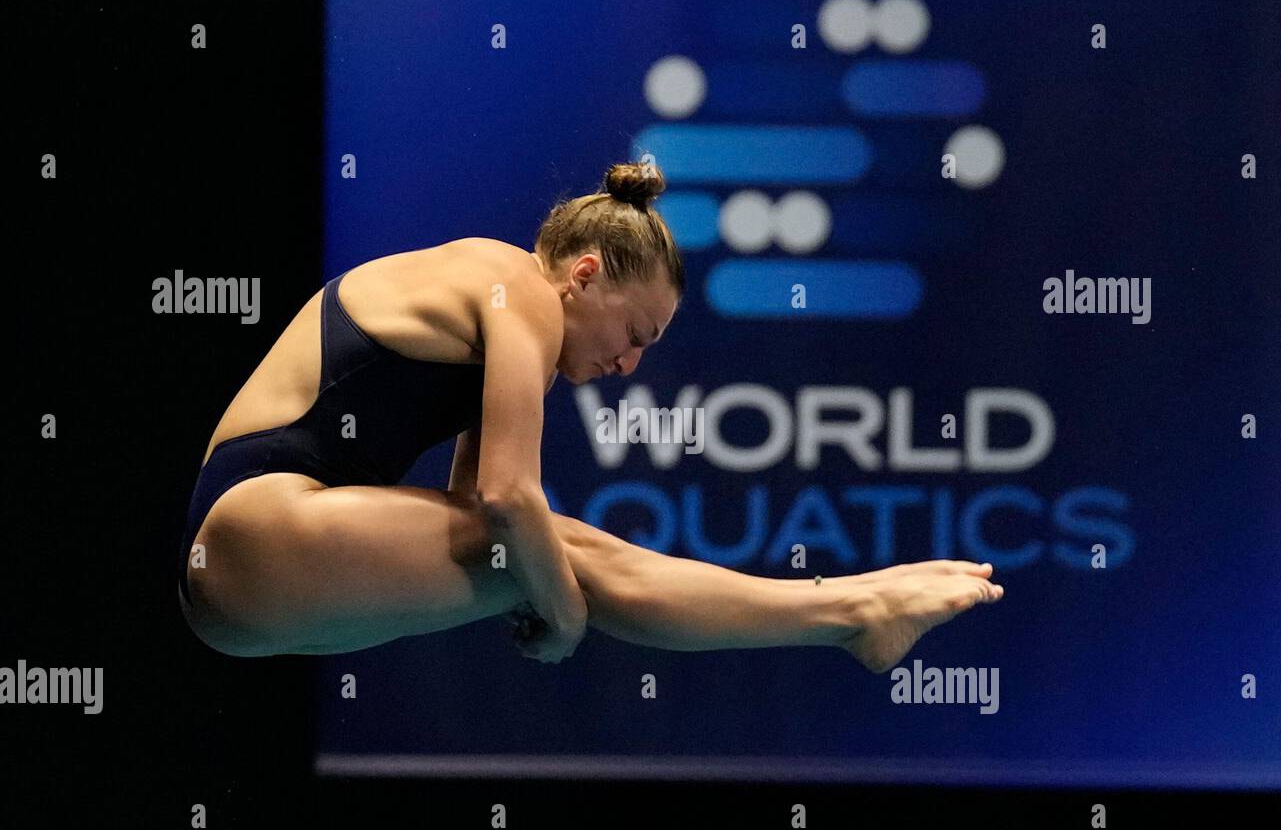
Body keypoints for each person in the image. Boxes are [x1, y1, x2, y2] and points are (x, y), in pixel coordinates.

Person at [177, 162, 1003, 667]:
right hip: (253, 530)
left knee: (554, 552)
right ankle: (854, 611)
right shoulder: (524, 295)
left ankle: (856, 604)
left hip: (248, 573)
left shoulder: (491, 300)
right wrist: (566, 621)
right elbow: (508, 500)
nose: (627, 365)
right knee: (567, 550)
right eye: (634, 335)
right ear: (583, 275)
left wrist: (542, 587)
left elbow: (481, 511)